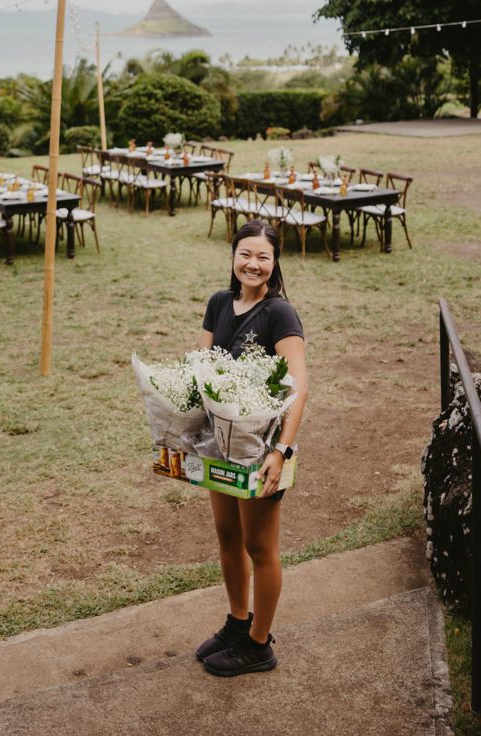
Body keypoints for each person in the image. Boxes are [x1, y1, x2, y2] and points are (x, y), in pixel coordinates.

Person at [196, 219, 308, 677]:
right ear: (233, 257)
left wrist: (281, 452)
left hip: (263, 452)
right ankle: (238, 622)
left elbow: (298, 387)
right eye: (246, 253)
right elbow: (200, 371)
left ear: (274, 262)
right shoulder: (219, 303)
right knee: (227, 536)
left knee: (260, 546)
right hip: (219, 448)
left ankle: (259, 644)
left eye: (263, 256)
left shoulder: (280, 314)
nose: (253, 263)